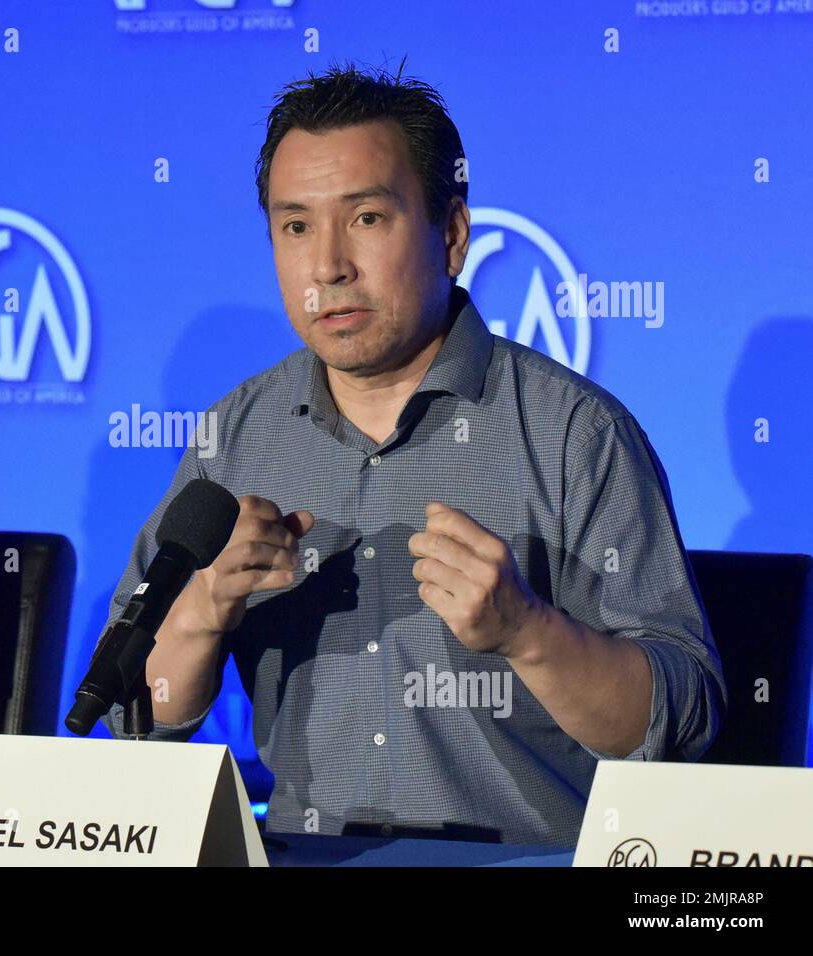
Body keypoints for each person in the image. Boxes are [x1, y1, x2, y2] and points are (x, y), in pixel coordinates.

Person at [99, 65, 725, 845]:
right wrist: (199, 613)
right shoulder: (238, 433)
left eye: (365, 218)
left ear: (452, 234)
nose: (327, 266)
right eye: (296, 226)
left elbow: (681, 722)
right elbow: (134, 721)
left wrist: (529, 632)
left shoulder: (575, 433)